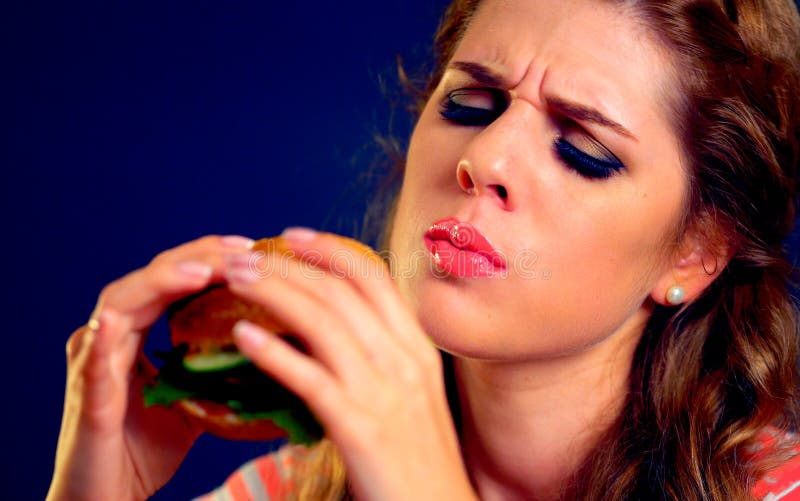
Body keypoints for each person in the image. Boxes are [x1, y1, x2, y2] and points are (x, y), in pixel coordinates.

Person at [46, 0, 800, 499]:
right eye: (470, 104)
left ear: (695, 252)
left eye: (583, 150)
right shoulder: (281, 490)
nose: (485, 157)